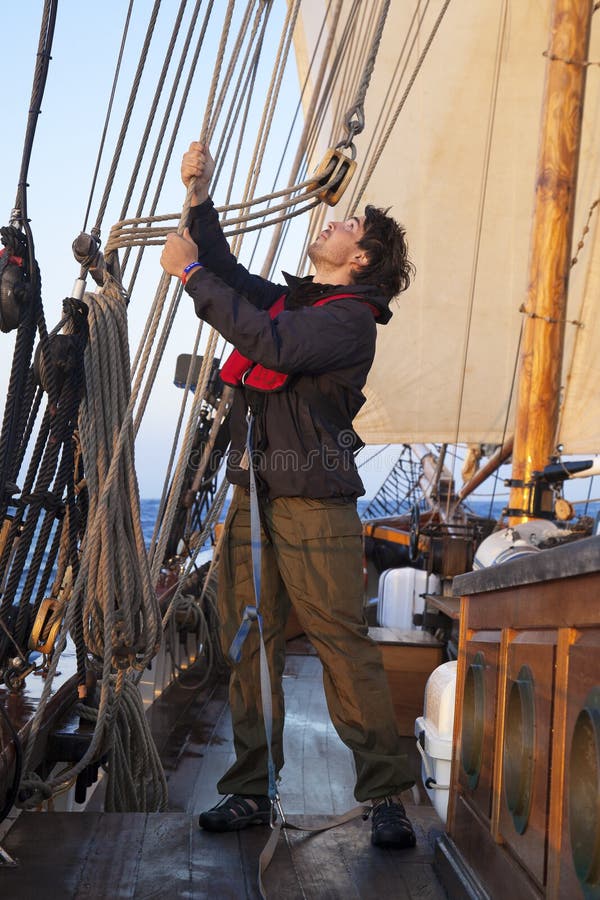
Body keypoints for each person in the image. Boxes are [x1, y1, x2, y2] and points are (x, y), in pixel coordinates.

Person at [160, 142, 416, 849]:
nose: (331, 223)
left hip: (315, 501)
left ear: (361, 260)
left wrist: (187, 275)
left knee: (339, 642)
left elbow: (269, 342)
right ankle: (248, 788)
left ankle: (387, 793)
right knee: (250, 641)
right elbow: (235, 281)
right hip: (256, 493)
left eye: (346, 227)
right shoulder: (303, 300)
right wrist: (201, 196)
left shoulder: (348, 320)